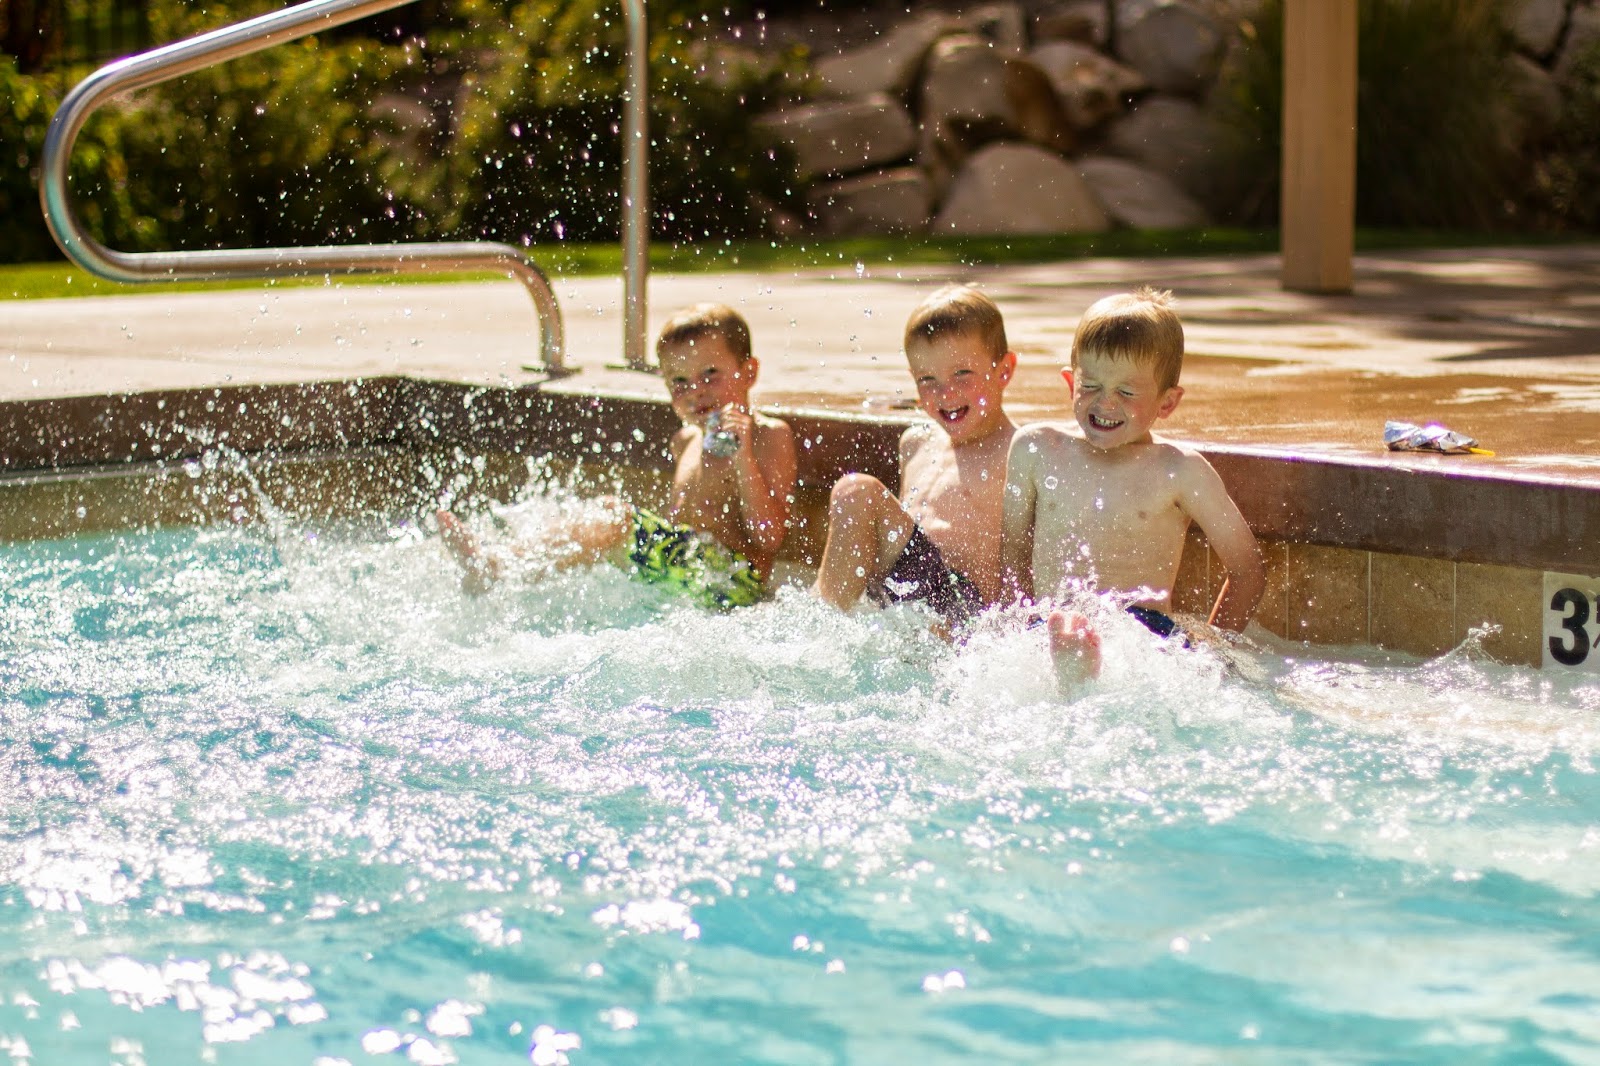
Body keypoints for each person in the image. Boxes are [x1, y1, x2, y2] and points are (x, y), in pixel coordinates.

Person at [437, 303, 798, 609]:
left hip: (733, 584)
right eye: (679, 381)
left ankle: (497, 567)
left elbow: (769, 538)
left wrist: (743, 456)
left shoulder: (769, 436)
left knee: (614, 515)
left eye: (710, 374)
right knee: (601, 531)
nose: (695, 392)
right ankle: (509, 568)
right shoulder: (685, 440)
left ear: (748, 372)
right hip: (686, 573)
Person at [999, 287, 1266, 691]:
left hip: (1142, 633)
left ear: (1167, 402)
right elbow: (1013, 556)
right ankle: (1073, 661)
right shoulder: (1036, 450)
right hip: (1048, 625)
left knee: (1074, 642)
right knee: (1060, 630)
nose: (1105, 404)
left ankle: (1078, 667)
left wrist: (1214, 655)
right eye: (1090, 386)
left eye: (1126, 392)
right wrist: (1011, 629)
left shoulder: (1179, 471)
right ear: (1070, 382)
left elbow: (1247, 570)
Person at [812, 283, 1018, 630]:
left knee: (856, 492)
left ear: (1004, 371)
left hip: (966, 614)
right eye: (927, 379)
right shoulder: (916, 443)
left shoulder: (1018, 450)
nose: (945, 393)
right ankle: (825, 619)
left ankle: (816, 629)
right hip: (907, 602)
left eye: (962, 374)